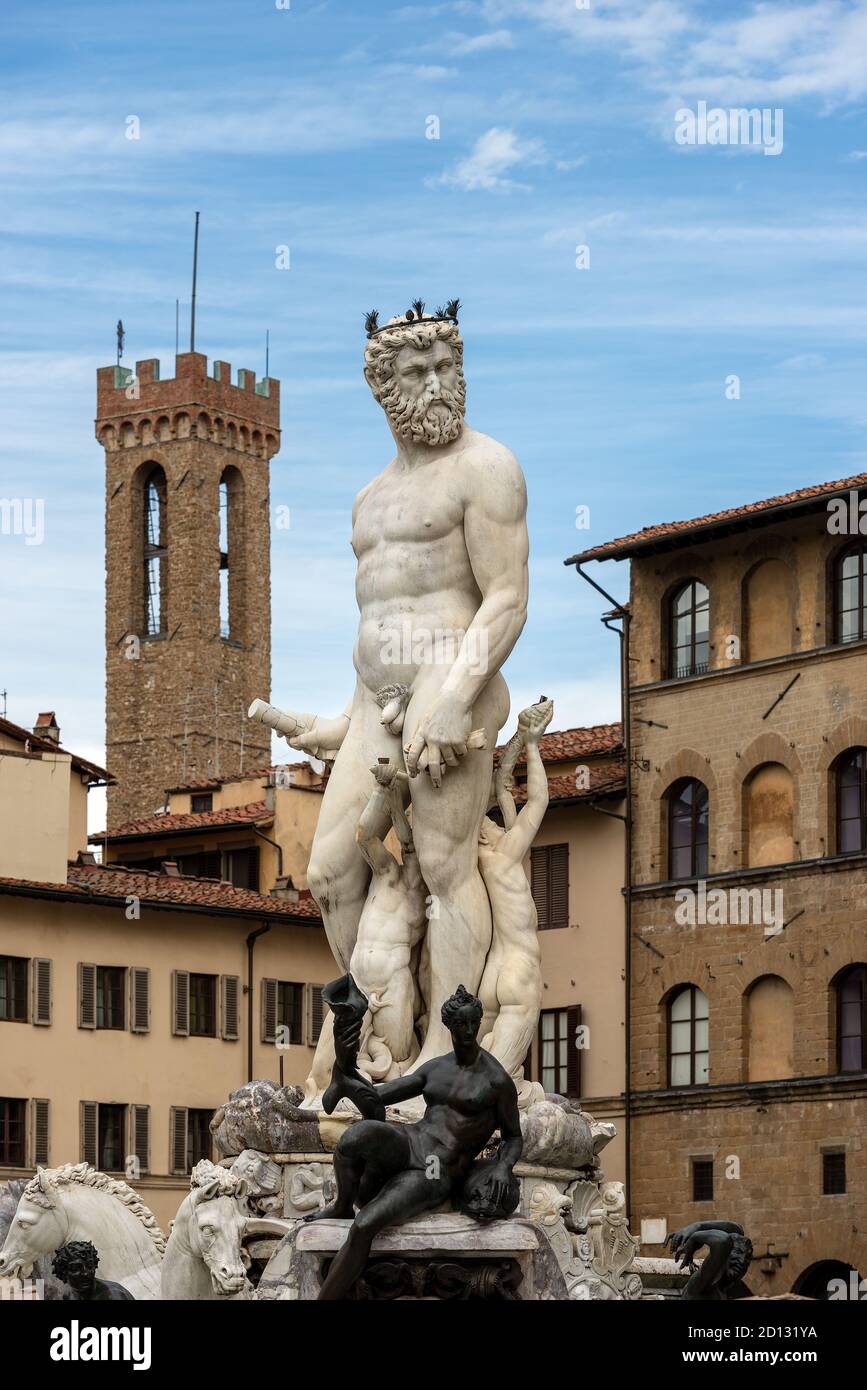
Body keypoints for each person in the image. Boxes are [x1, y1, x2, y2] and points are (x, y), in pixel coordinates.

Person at [265, 305, 530, 1095]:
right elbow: (376, 622)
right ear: (382, 389)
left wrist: (454, 696)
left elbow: (507, 596)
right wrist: (342, 722)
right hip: (375, 700)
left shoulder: (487, 467)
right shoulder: (368, 500)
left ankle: (448, 1058)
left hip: (457, 680)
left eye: (448, 366)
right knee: (331, 872)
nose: (438, 384)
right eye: (417, 372)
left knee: (447, 867)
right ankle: (375, 1037)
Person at [306, 983, 522, 1301]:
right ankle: (341, 1205)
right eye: (460, 1023)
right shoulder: (437, 1068)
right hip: (411, 1140)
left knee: (365, 1225)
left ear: (479, 1023)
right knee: (354, 1137)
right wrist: (344, 1068)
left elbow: (513, 1136)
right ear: (449, 1025)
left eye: (472, 1023)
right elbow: (378, 1097)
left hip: (435, 1170)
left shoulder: (496, 1080)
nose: (467, 1030)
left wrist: (503, 1166)